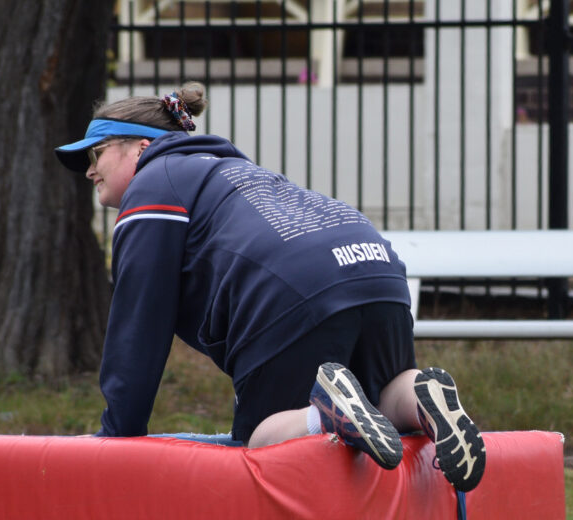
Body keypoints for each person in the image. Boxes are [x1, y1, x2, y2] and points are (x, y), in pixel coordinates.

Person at [55, 82, 486, 492]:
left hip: (294, 290)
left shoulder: (154, 183)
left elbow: (139, 324)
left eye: (97, 152)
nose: (90, 169)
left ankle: (325, 417)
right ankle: (420, 398)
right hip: (377, 272)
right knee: (385, 391)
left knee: (261, 442)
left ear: (141, 146)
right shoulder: (239, 171)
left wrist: (118, 436)